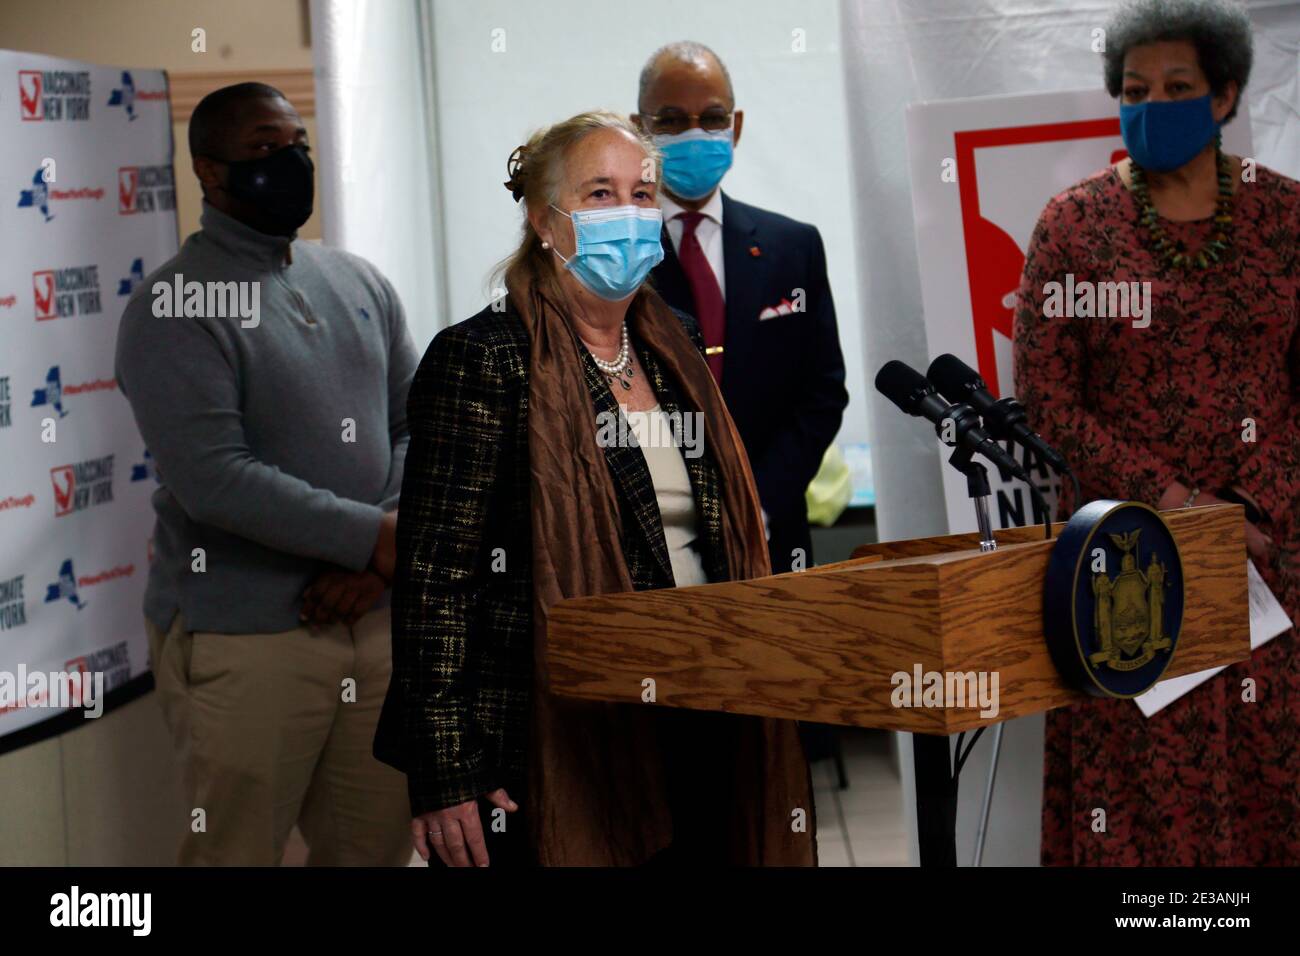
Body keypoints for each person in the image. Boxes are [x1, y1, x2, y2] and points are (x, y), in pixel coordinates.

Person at [372, 110, 816, 867]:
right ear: (547, 221)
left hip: (700, 704)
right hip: (545, 734)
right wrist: (446, 771)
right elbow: (434, 581)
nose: (631, 214)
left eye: (643, 194)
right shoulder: (482, 359)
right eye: (601, 194)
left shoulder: (670, 340)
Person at [1013, 0, 1299, 865]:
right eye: (1133, 89)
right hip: (1130, 560)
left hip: (1270, 559)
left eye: (1177, 87)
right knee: (1139, 795)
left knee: (1267, 779)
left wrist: (1253, 507)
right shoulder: (1073, 225)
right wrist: (1180, 508)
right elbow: (1049, 399)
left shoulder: (1286, 220)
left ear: (1224, 96)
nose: (1151, 104)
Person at [115, 82, 418, 866]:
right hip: (248, 636)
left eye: (298, 146)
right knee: (236, 855)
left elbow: (418, 429)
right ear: (210, 173)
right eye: (263, 150)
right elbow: (214, 477)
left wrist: (376, 561)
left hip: (373, 619)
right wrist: (373, 537)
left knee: (373, 850)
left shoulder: (357, 281)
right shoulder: (174, 305)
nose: (289, 163)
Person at [633, 41, 849, 576]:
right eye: (672, 120)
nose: (694, 134)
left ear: (738, 125)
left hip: (775, 539)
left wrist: (760, 503)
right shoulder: (617, 256)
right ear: (640, 129)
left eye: (711, 118)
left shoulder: (792, 247)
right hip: (654, 544)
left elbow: (822, 393)